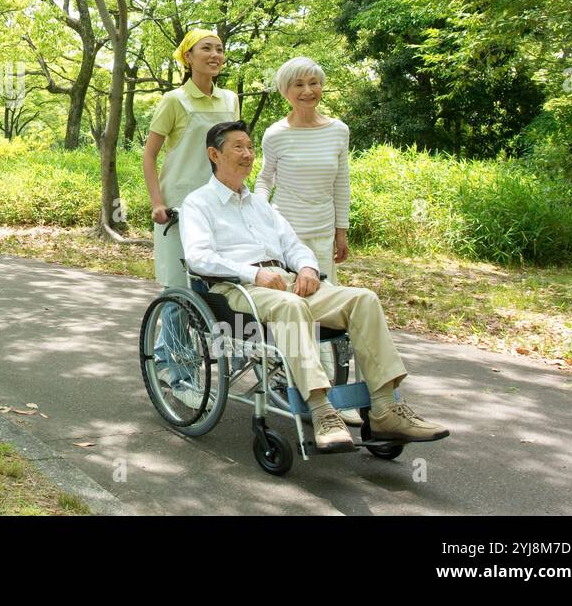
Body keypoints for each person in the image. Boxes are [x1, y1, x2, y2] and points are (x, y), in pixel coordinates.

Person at [178, 120, 449, 451]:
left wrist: (307, 267)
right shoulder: (198, 203)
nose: (248, 154)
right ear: (214, 154)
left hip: (287, 281)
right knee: (291, 306)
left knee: (363, 299)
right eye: (238, 147)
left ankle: (385, 409)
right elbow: (198, 258)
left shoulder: (261, 205)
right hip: (237, 290)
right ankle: (322, 411)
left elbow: (293, 245)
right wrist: (254, 274)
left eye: (250, 147)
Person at [255, 57, 354, 422]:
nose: (308, 91)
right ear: (285, 92)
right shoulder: (275, 134)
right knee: (297, 308)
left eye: (314, 83)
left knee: (325, 310)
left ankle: (330, 393)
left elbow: (341, 184)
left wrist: (341, 232)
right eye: (298, 85)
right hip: (285, 232)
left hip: (324, 230)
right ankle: (306, 390)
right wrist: (258, 211)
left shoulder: (338, 130)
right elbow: (264, 180)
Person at [143, 30, 238, 399]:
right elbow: (149, 155)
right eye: (206, 49)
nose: (214, 54)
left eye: (219, 49)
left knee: (216, 290)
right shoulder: (174, 100)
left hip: (218, 208)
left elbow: (232, 151)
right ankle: (181, 378)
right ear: (188, 57)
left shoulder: (230, 99)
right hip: (178, 211)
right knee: (180, 291)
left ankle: (168, 358)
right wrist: (156, 202)